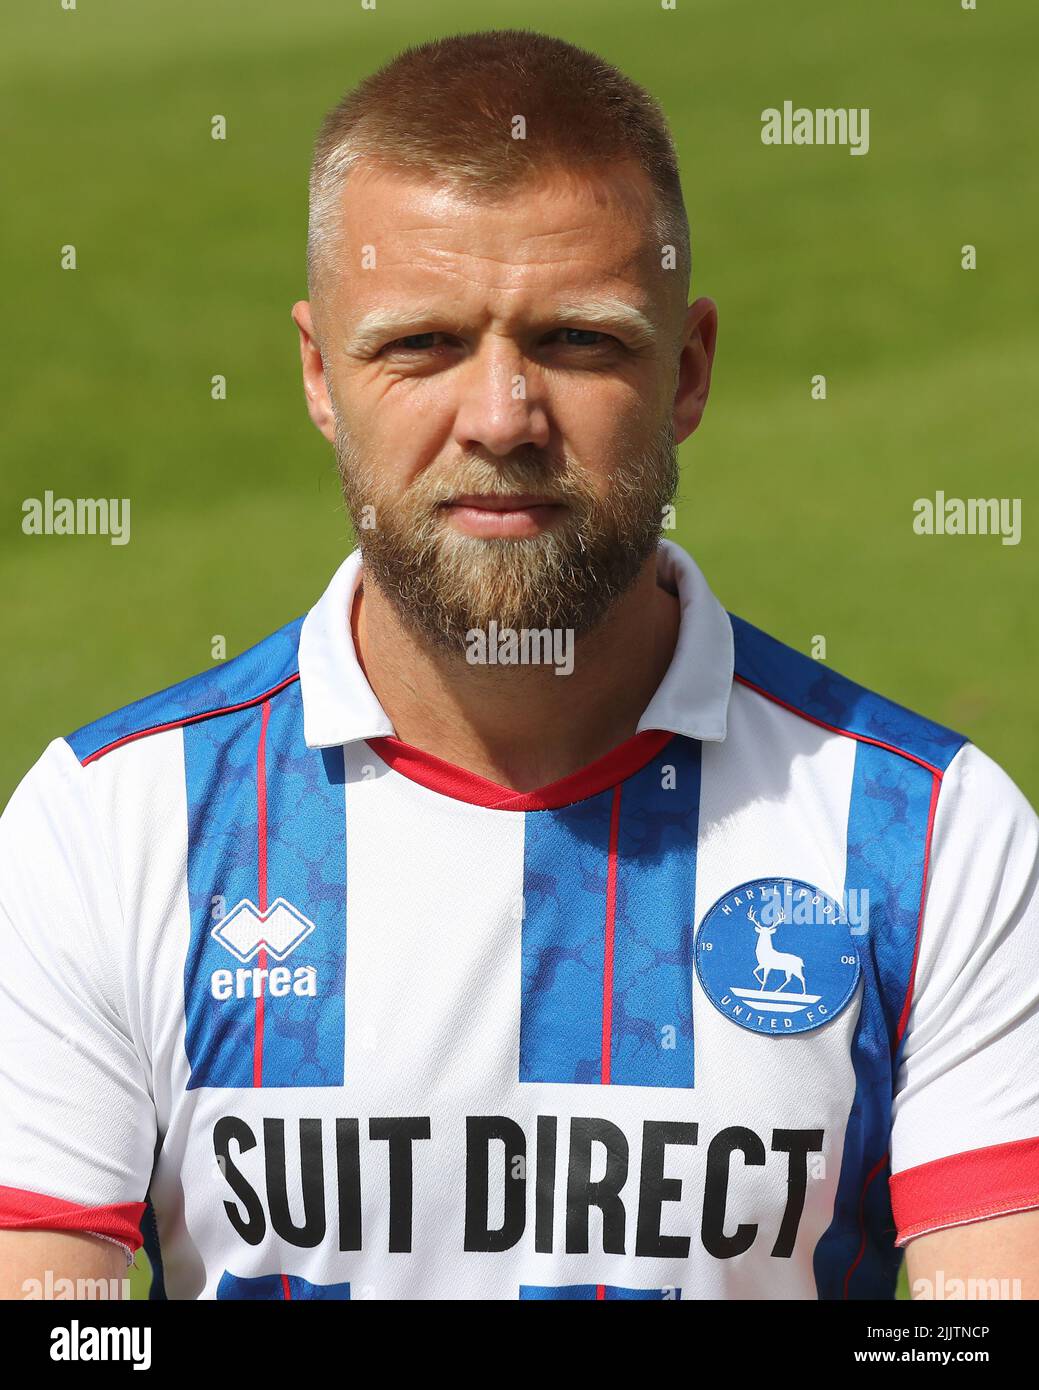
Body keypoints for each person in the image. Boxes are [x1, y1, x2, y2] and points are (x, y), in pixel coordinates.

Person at [1, 29, 1037, 1301]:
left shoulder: (931, 839)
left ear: (689, 371)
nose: (500, 418)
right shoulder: (106, 826)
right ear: (322, 375)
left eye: (579, 343)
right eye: (423, 345)